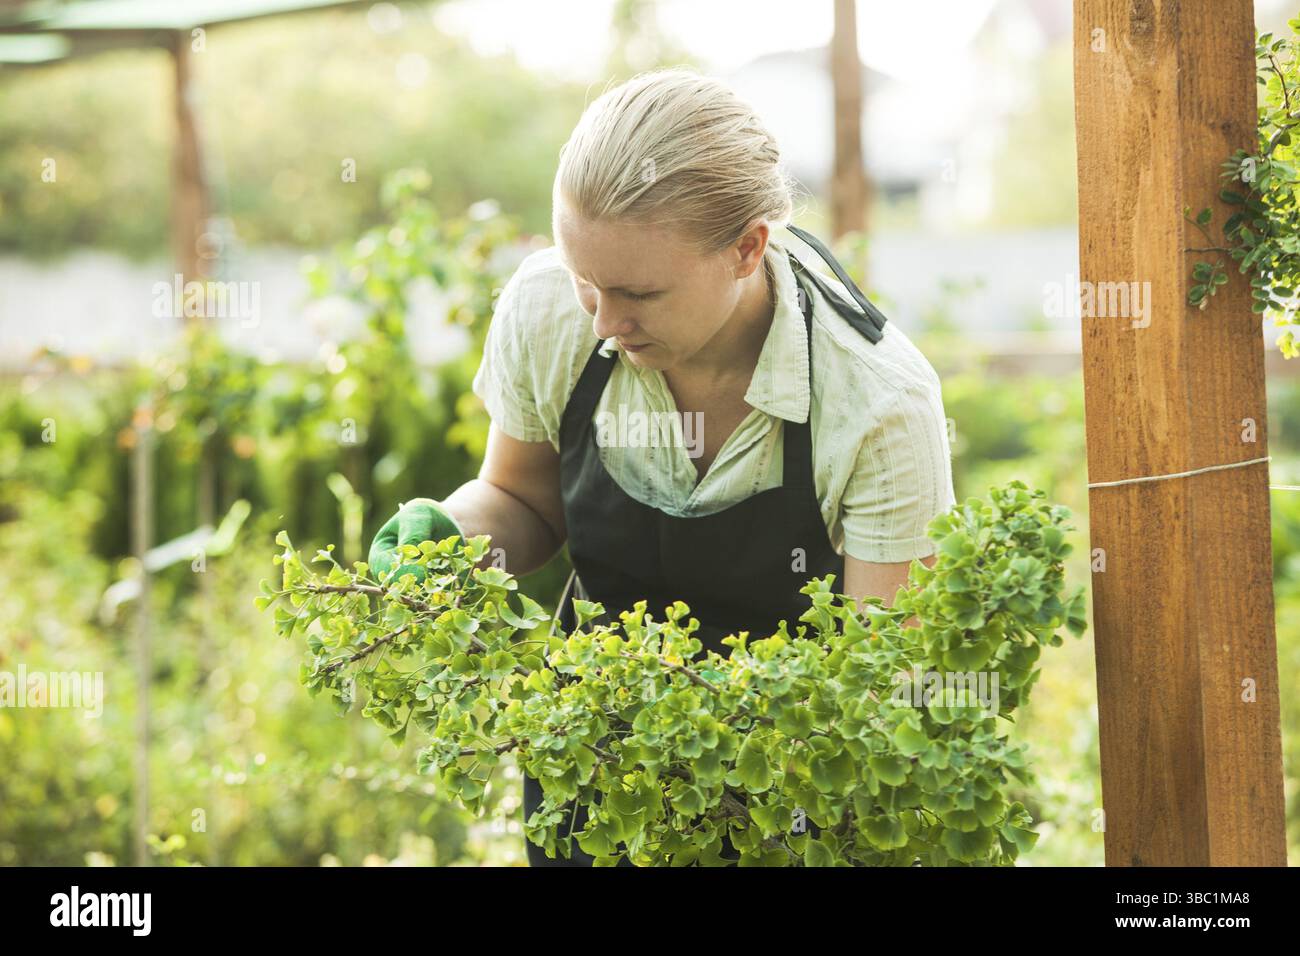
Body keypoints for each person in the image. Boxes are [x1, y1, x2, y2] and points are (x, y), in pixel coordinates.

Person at [367, 66, 956, 866]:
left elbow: (886, 686)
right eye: (586, 280)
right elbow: (523, 499)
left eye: (638, 291)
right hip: (590, 777)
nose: (605, 322)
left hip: (791, 800)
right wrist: (453, 536)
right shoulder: (548, 311)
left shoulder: (877, 402)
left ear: (748, 248)